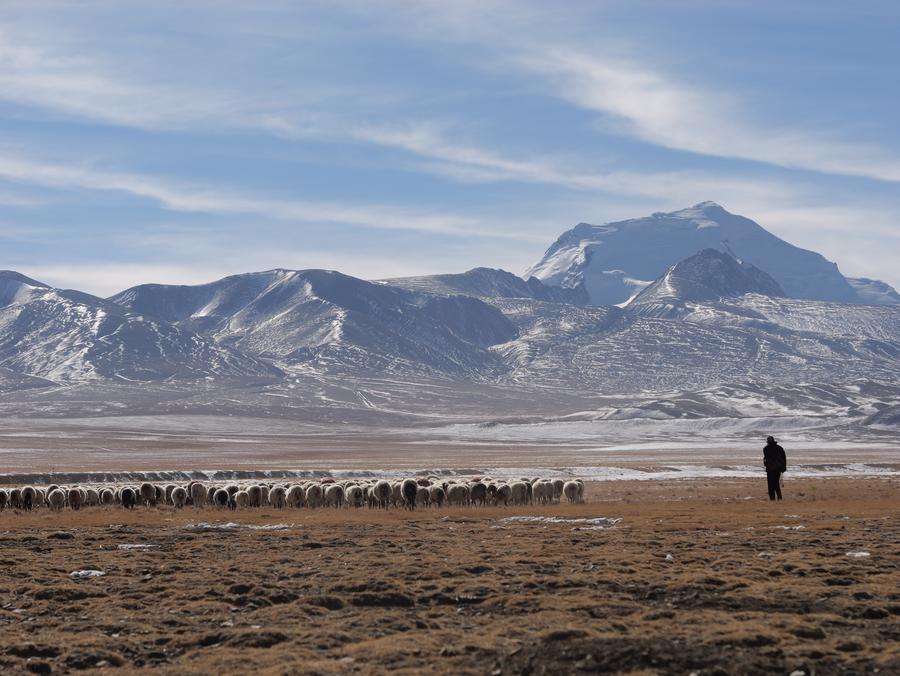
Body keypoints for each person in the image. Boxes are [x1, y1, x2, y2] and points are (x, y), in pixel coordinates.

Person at [763, 436, 787, 501]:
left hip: (770, 469)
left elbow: (765, 459)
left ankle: (772, 499)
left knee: (770, 485)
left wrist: (765, 464)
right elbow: (784, 459)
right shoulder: (779, 448)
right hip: (778, 469)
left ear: (768, 442)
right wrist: (783, 468)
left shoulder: (766, 449)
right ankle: (779, 498)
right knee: (776, 484)